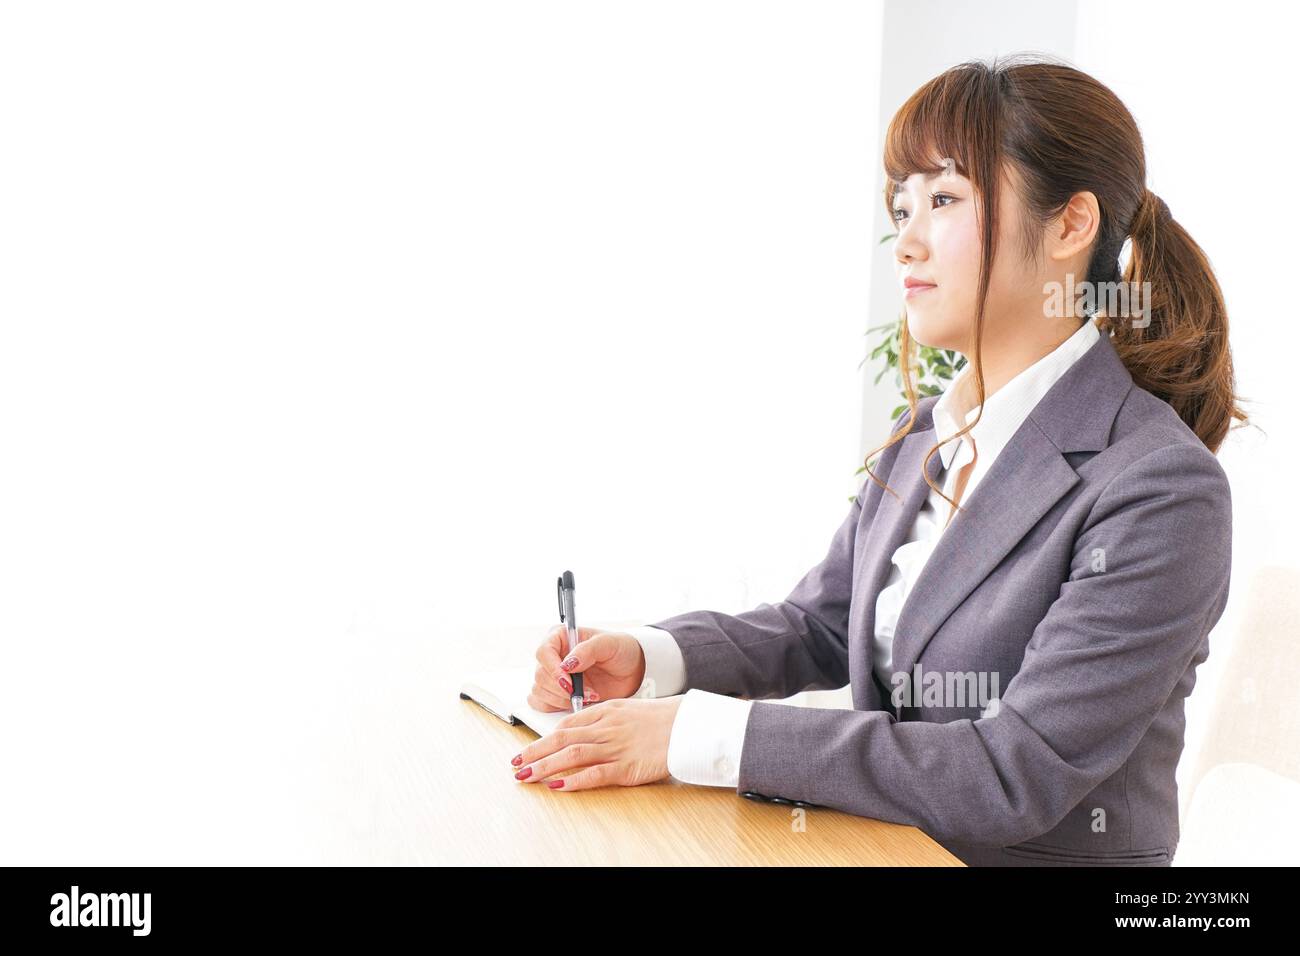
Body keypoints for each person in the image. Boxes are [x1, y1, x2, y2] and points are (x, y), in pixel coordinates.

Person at [510, 54, 1244, 866]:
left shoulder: (1160, 489)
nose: (908, 240)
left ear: (1071, 225)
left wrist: (698, 734)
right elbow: (818, 626)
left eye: (944, 199)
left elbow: (1016, 771)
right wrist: (652, 659)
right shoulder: (930, 428)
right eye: (902, 206)